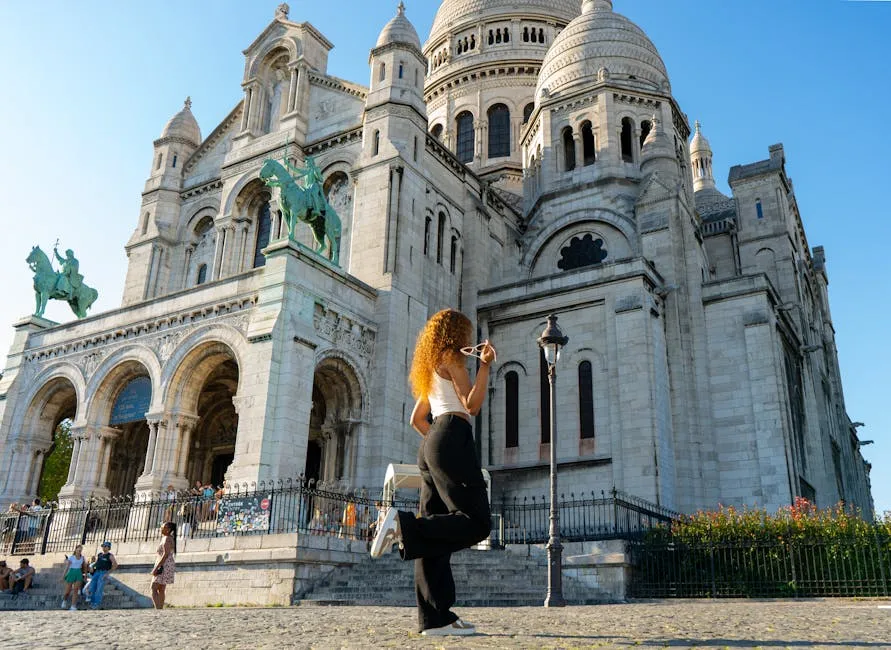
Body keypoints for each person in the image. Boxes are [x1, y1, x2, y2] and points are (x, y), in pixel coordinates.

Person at [370, 309, 495, 637]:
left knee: (434, 538)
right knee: (477, 521)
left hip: (432, 442)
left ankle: (435, 619)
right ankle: (401, 524)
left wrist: (437, 449)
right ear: (457, 333)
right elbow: (472, 404)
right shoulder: (452, 357)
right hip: (452, 434)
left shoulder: (430, 368)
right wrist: (484, 365)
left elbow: (417, 419)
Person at [151, 521, 176, 609]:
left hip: (163, 564)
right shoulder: (170, 538)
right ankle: (160, 607)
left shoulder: (166, 538)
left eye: (164, 527)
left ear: (168, 530)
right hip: (168, 564)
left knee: (154, 587)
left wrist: (156, 568)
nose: (161, 528)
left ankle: (158, 607)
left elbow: (165, 554)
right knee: (161, 588)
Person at [89, 541, 117, 610]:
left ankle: (96, 603)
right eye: (103, 546)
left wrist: (107, 573)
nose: (104, 547)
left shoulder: (110, 556)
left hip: (103, 572)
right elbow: (97, 563)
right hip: (97, 572)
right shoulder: (100, 555)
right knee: (92, 587)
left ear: (108, 547)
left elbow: (115, 564)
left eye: (105, 546)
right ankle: (92, 603)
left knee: (99, 588)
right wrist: (92, 566)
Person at [60, 544, 87, 611]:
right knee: (67, 591)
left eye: (80, 550)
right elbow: (67, 567)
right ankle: (64, 600)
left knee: (76, 590)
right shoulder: (71, 557)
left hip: (78, 573)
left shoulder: (82, 558)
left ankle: (73, 606)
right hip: (71, 572)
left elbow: (85, 567)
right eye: (78, 550)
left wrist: (85, 575)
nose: (79, 551)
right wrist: (63, 576)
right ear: (75, 550)